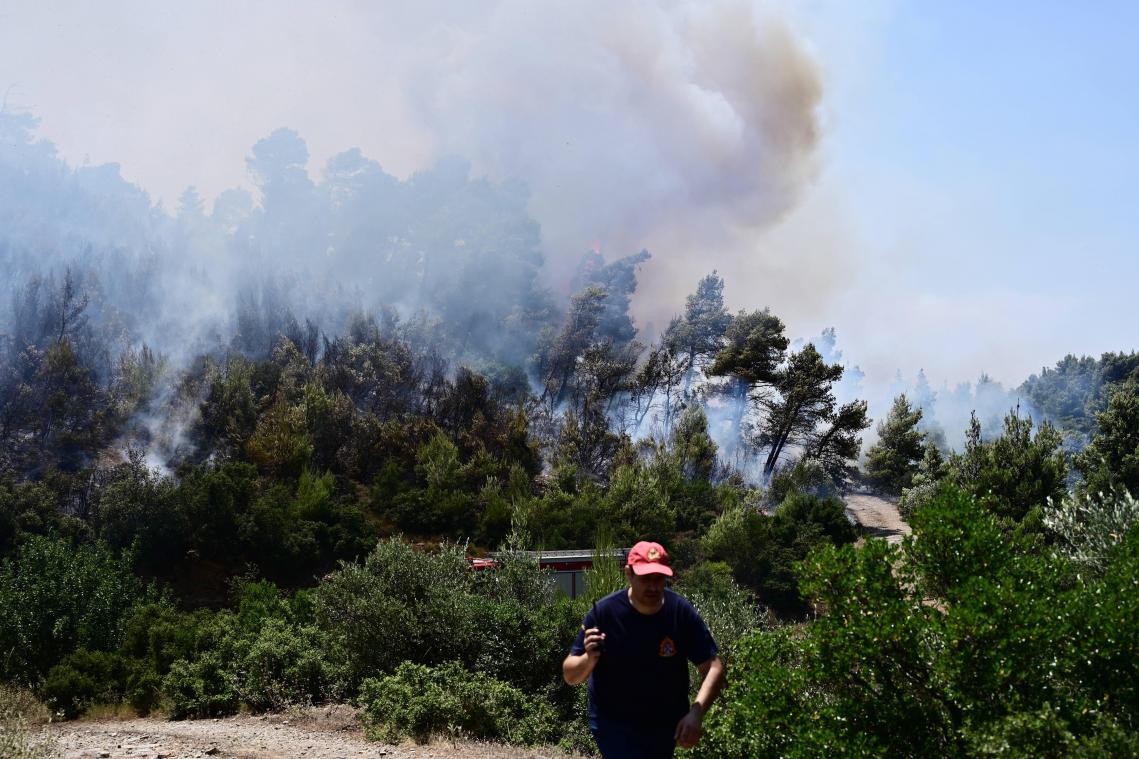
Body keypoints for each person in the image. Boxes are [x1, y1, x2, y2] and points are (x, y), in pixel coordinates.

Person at [563, 541, 725, 758]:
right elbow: (570, 675)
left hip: (664, 722)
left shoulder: (680, 612)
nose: (653, 586)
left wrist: (696, 713)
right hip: (612, 721)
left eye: (658, 578)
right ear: (629, 573)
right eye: (645, 578)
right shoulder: (604, 613)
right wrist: (589, 659)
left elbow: (713, 667)